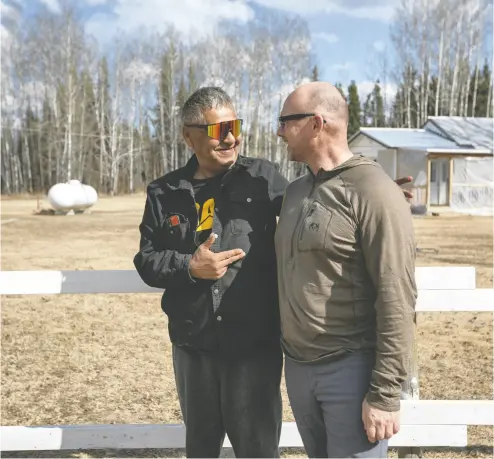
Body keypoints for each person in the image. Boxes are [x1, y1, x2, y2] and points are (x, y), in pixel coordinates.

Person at [134, 85, 414, 458]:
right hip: (194, 346)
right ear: (189, 136)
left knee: (258, 450)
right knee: (200, 448)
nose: (231, 137)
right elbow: (147, 259)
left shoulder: (263, 178)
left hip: (253, 348)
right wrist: (188, 267)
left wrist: (377, 196)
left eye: (235, 125)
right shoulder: (164, 191)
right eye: (218, 130)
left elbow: (322, 203)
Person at [274, 81, 417, 458]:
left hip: (350, 372)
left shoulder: (374, 191)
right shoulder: (294, 192)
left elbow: (397, 296)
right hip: (299, 369)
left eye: (286, 121)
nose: (278, 131)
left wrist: (385, 394)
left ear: (316, 124)